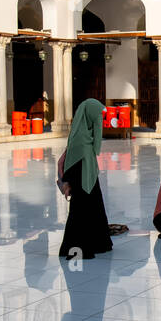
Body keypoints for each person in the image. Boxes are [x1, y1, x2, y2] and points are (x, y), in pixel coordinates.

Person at [58, 98, 113, 260]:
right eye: (97, 116)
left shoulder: (85, 133)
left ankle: (100, 243)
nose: (99, 121)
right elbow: (73, 162)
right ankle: (79, 248)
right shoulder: (80, 138)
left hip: (89, 178)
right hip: (81, 179)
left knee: (95, 207)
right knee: (81, 212)